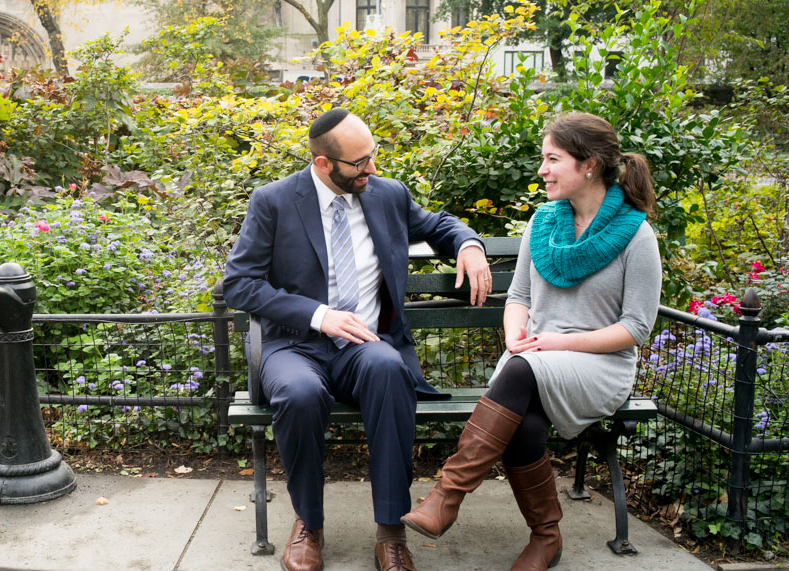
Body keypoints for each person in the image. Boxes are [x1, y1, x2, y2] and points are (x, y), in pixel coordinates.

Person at [223, 108, 492, 571]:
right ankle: (309, 524)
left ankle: (391, 531)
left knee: (389, 370)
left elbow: (439, 225)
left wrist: (469, 245)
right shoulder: (274, 201)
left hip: (366, 343)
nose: (372, 168)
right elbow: (239, 284)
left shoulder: (387, 194)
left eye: (373, 155)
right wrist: (319, 316)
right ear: (323, 163)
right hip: (294, 345)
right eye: (360, 162)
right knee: (300, 394)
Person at [400, 112, 662, 570]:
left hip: (599, 364)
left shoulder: (636, 235)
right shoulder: (542, 224)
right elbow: (519, 297)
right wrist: (515, 336)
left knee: (520, 370)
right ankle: (546, 537)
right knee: (524, 424)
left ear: (589, 164)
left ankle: (447, 495)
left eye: (552, 159)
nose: (542, 170)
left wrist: (555, 344)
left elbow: (635, 328)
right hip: (535, 359)